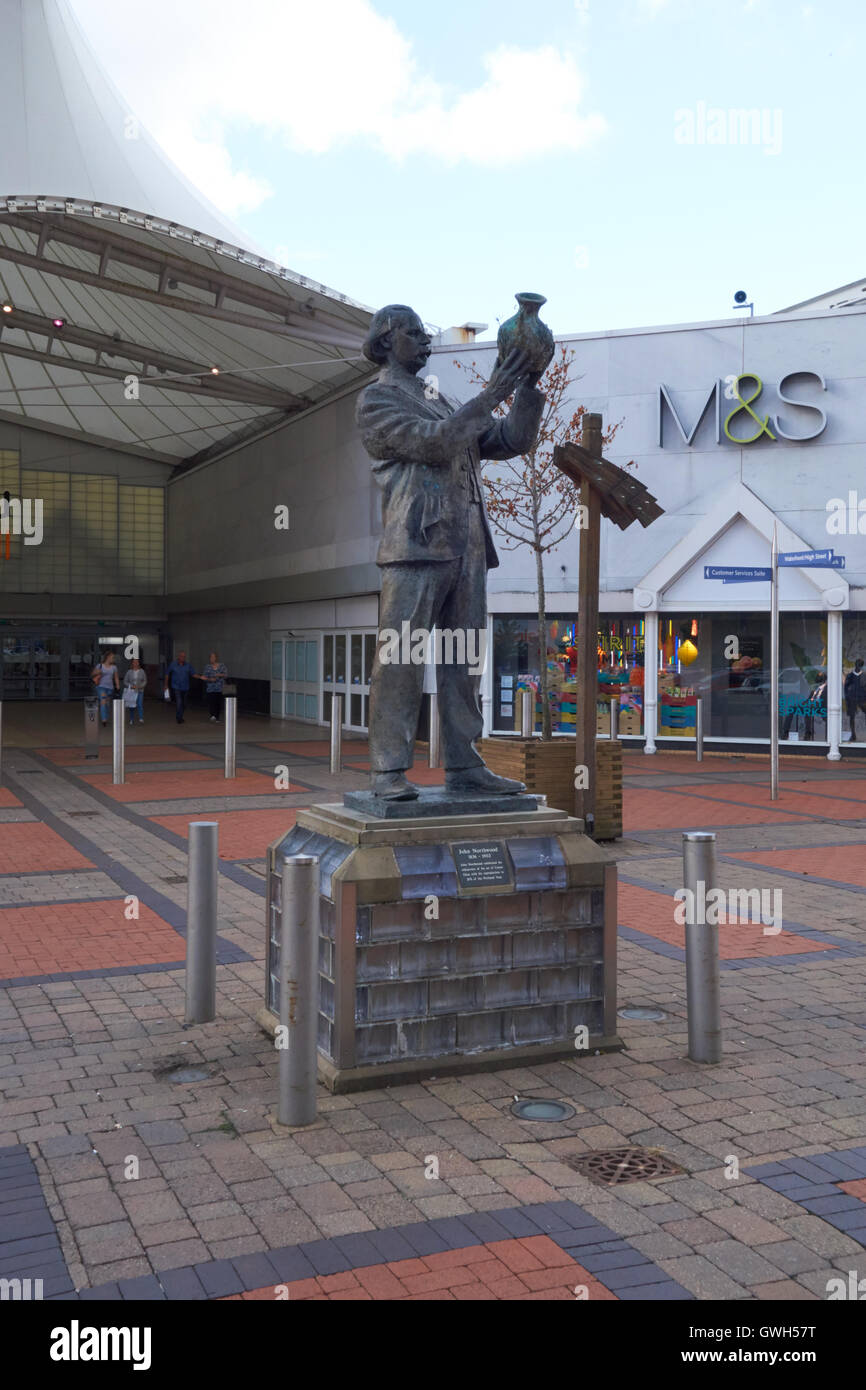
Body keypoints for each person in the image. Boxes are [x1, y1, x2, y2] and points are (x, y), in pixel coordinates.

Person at [356, 304, 544, 799]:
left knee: (464, 662)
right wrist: (493, 392)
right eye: (414, 333)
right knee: (401, 661)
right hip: (416, 546)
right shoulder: (377, 400)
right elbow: (435, 444)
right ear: (385, 341)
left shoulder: (439, 399)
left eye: (425, 333)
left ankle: (465, 764)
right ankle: (388, 770)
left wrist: (527, 385)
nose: (425, 340)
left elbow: (510, 439)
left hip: (467, 548)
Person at [194, 650, 228, 722]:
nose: (211, 659)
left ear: (216, 658)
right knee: (212, 702)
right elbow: (204, 677)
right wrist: (210, 679)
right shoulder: (207, 667)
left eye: (213, 657)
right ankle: (213, 715)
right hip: (211, 688)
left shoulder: (222, 666)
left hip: (220, 688)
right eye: (210, 657)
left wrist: (219, 675)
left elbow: (225, 675)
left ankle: (217, 717)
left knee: (218, 703)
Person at [164, 650, 193, 724]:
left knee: (184, 704)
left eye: (184, 657)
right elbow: (167, 674)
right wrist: (166, 685)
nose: (183, 658)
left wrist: (201, 677)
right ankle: (179, 718)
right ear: (179, 657)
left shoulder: (188, 665)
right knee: (179, 702)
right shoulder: (173, 664)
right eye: (181, 656)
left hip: (185, 687)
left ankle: (180, 716)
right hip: (176, 687)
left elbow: (193, 674)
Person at [91, 650, 119, 725]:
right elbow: (93, 674)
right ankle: (104, 720)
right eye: (112, 657)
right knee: (103, 702)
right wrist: (98, 672)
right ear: (108, 657)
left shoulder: (114, 667)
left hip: (110, 688)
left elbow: (116, 677)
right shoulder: (100, 665)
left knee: (107, 703)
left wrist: (117, 686)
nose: (113, 658)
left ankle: (106, 717)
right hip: (101, 687)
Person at [844, 657, 864, 741]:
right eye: (857, 664)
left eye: (860, 665)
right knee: (852, 717)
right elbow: (846, 688)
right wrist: (848, 698)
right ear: (855, 664)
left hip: (863, 699)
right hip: (852, 699)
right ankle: (853, 734)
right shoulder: (850, 676)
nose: (858, 666)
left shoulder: (864, 675)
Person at [123, 657, 147, 726]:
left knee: (139, 704)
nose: (135, 663)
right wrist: (130, 686)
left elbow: (145, 680)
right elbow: (125, 681)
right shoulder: (129, 672)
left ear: (138, 663)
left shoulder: (142, 671)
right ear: (132, 663)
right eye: (134, 662)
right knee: (132, 705)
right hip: (132, 692)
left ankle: (141, 718)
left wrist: (140, 686)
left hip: (140, 690)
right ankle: (131, 719)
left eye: (137, 662)